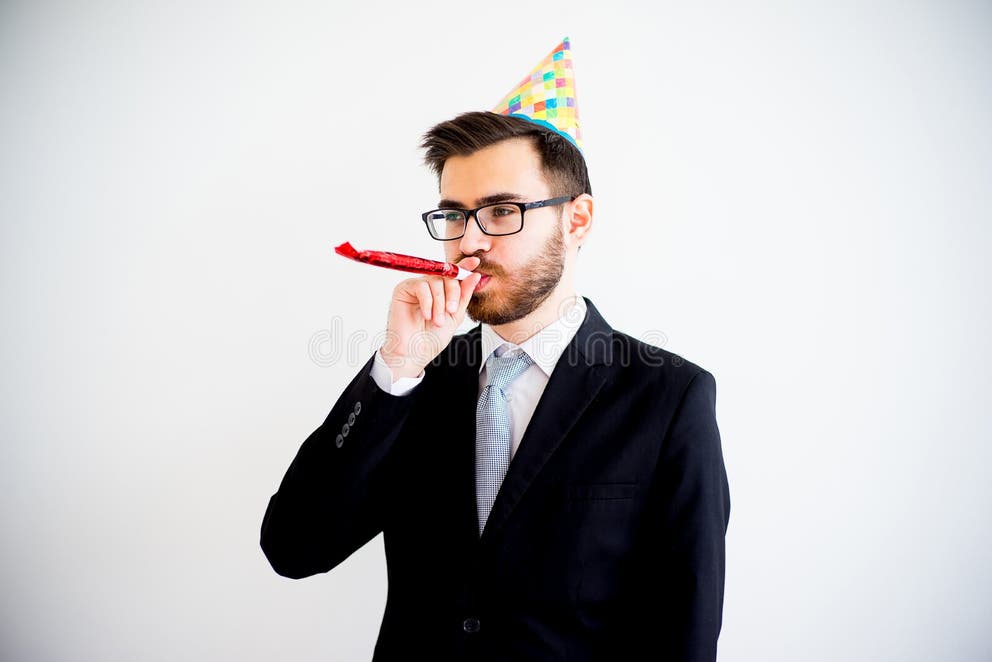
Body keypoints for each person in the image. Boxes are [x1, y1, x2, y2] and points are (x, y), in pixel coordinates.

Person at [261, 40, 729, 662]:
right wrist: (396, 370)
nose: (469, 243)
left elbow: (683, 629)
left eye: (503, 211)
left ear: (578, 220)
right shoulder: (414, 383)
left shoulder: (669, 397)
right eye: (454, 216)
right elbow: (295, 547)